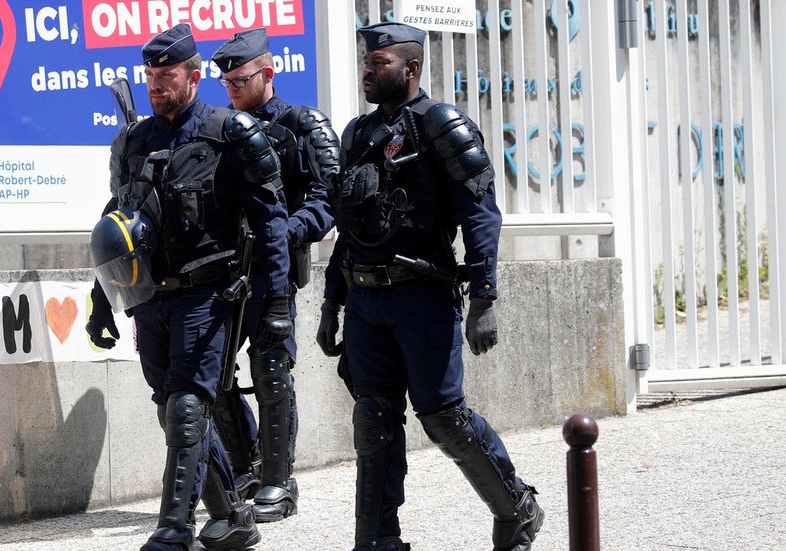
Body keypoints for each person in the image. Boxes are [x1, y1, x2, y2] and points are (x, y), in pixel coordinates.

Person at [315, 22, 544, 551]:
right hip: (367, 300)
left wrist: (484, 298)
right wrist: (332, 302)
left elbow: (481, 214)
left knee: (444, 419)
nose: (367, 72)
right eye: (366, 64)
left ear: (411, 68)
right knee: (372, 421)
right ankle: (377, 541)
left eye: (379, 64)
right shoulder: (358, 134)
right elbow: (348, 229)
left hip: (423, 296)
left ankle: (517, 506)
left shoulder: (443, 125)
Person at [85, 23, 293, 551]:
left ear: (194, 77)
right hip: (149, 297)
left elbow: (271, 226)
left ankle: (173, 532)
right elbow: (121, 221)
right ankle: (233, 517)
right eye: (150, 75)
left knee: (187, 408)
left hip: (210, 294)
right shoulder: (134, 141)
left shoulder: (233, 134)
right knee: (171, 409)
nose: (156, 85)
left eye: (167, 75)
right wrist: (101, 298)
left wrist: (275, 305)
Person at [206, 28, 340, 523]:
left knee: (270, 370)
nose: (233, 88)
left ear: (268, 72)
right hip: (222, 272)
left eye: (242, 79)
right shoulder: (221, 128)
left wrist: (287, 228)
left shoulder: (300, 126)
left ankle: (279, 483)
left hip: (274, 271)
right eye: (227, 82)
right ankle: (247, 466)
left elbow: (330, 197)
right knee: (213, 374)